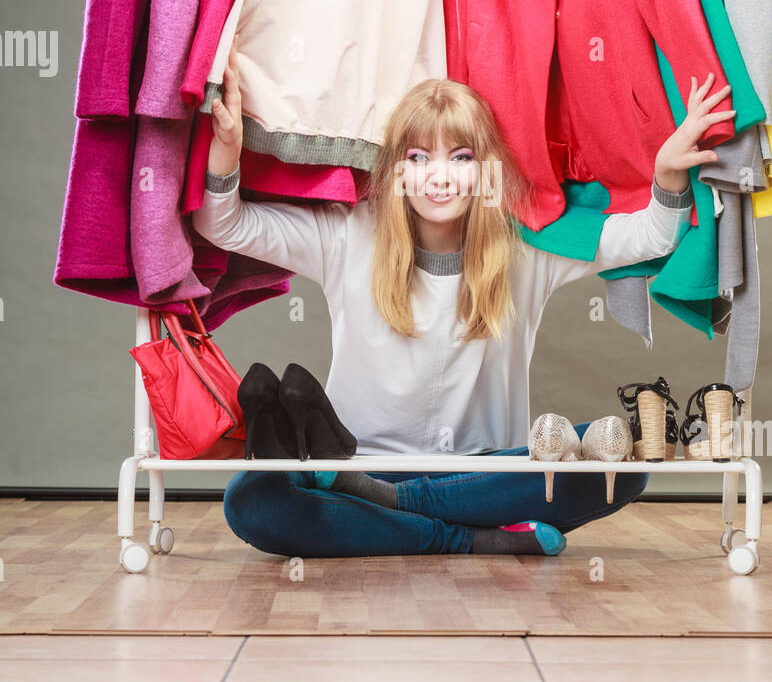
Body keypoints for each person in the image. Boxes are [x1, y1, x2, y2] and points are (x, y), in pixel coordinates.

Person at [192, 37, 734, 559]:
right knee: (250, 501)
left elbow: (647, 237)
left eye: (461, 157)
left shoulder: (526, 247)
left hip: (485, 472)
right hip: (362, 464)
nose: (439, 177)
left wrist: (665, 175)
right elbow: (227, 224)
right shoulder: (348, 235)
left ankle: (396, 511)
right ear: (397, 170)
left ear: (486, 168)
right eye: (419, 156)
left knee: (623, 462)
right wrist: (228, 148)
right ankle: (467, 538)